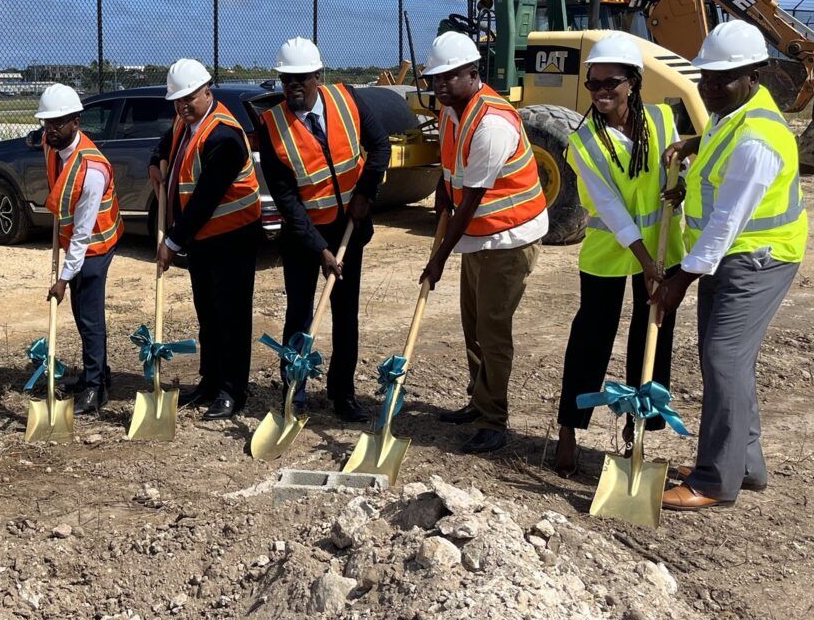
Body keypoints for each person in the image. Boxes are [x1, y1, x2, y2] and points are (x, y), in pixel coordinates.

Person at [651, 20, 807, 510]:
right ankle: (746, 465)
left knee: (723, 358)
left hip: (758, 259)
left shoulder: (757, 139)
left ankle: (715, 480)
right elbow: (719, 151)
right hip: (730, 256)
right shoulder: (732, 114)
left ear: (754, 75)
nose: (711, 87)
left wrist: (679, 281)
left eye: (723, 79)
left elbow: (726, 222)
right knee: (728, 361)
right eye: (706, 78)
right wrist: (696, 146)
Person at [552, 32, 684, 475]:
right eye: (593, 84)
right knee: (592, 336)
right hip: (612, 252)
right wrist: (646, 263)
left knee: (652, 335)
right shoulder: (584, 142)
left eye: (612, 82)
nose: (602, 92)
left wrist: (680, 182)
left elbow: (681, 169)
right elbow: (608, 204)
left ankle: (637, 429)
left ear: (634, 82)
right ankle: (570, 427)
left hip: (665, 249)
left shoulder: (663, 121)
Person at [417, 33, 548, 454]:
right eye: (435, 77)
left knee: (492, 329)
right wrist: (441, 185)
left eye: (449, 76)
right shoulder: (450, 112)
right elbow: (456, 172)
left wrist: (437, 259)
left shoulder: (491, 123)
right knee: (472, 325)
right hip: (479, 237)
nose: (440, 85)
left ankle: (494, 418)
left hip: (509, 237)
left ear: (473, 74)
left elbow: (471, 202)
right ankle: (478, 400)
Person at [256, 37, 390, 422]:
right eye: (286, 80)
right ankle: (294, 392)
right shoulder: (271, 125)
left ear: (318, 76)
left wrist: (366, 193)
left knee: (346, 314)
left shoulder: (347, 99)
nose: (293, 87)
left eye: (300, 79)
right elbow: (286, 199)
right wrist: (320, 250)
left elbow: (379, 146)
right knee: (299, 313)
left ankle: (343, 393)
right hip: (304, 237)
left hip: (349, 228)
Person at [148, 59, 262, 420]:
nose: (183, 106)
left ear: (207, 91)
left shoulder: (224, 135)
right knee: (208, 315)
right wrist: (156, 161)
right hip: (203, 240)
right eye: (177, 100)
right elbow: (166, 144)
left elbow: (205, 199)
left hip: (233, 237)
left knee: (232, 317)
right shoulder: (185, 122)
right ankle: (210, 381)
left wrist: (171, 244)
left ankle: (232, 390)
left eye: (189, 98)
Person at [37, 83, 123, 414]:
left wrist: (62, 277)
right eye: (47, 123)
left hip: (96, 244)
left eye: (58, 123)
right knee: (80, 311)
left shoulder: (92, 171)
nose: (51, 130)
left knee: (89, 315)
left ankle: (95, 386)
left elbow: (84, 233)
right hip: (76, 239)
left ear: (76, 122)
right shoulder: (50, 144)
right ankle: (96, 370)